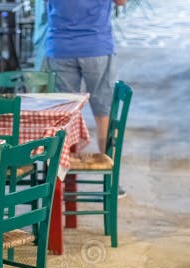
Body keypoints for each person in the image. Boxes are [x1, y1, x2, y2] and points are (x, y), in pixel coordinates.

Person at [44, 0, 125, 153]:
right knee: (103, 112)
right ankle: (107, 164)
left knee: (65, 113)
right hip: (96, 46)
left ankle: (66, 171)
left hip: (60, 46)